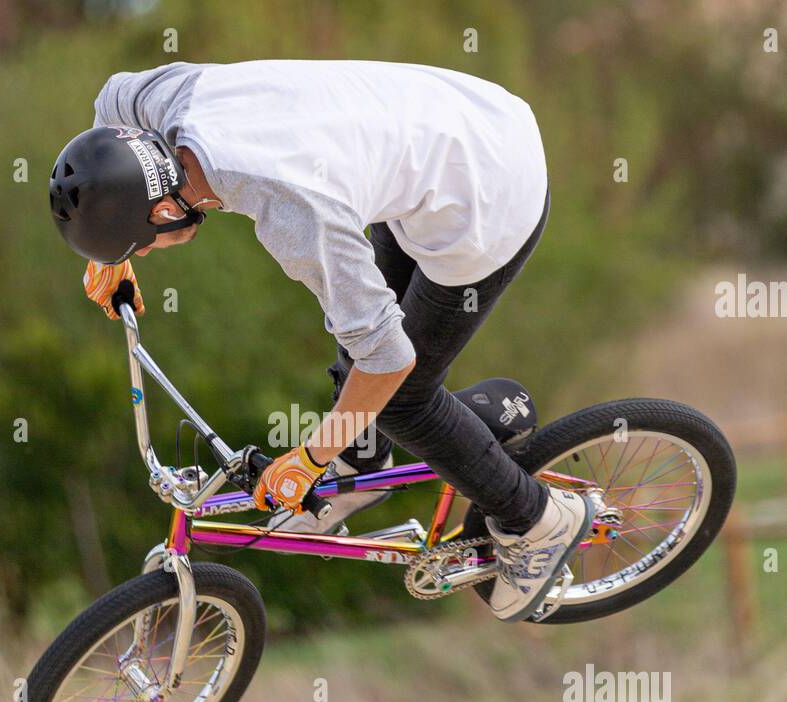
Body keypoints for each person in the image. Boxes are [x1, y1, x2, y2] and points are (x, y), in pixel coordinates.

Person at [48, 60, 592, 622]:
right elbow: (106, 110)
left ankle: (538, 519)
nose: (143, 255)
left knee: (401, 397)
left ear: (163, 210)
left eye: (139, 247)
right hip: (446, 120)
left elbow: (387, 357)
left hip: (489, 195)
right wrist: (107, 257)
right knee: (355, 311)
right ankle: (364, 462)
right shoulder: (152, 104)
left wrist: (312, 457)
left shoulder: (294, 210)